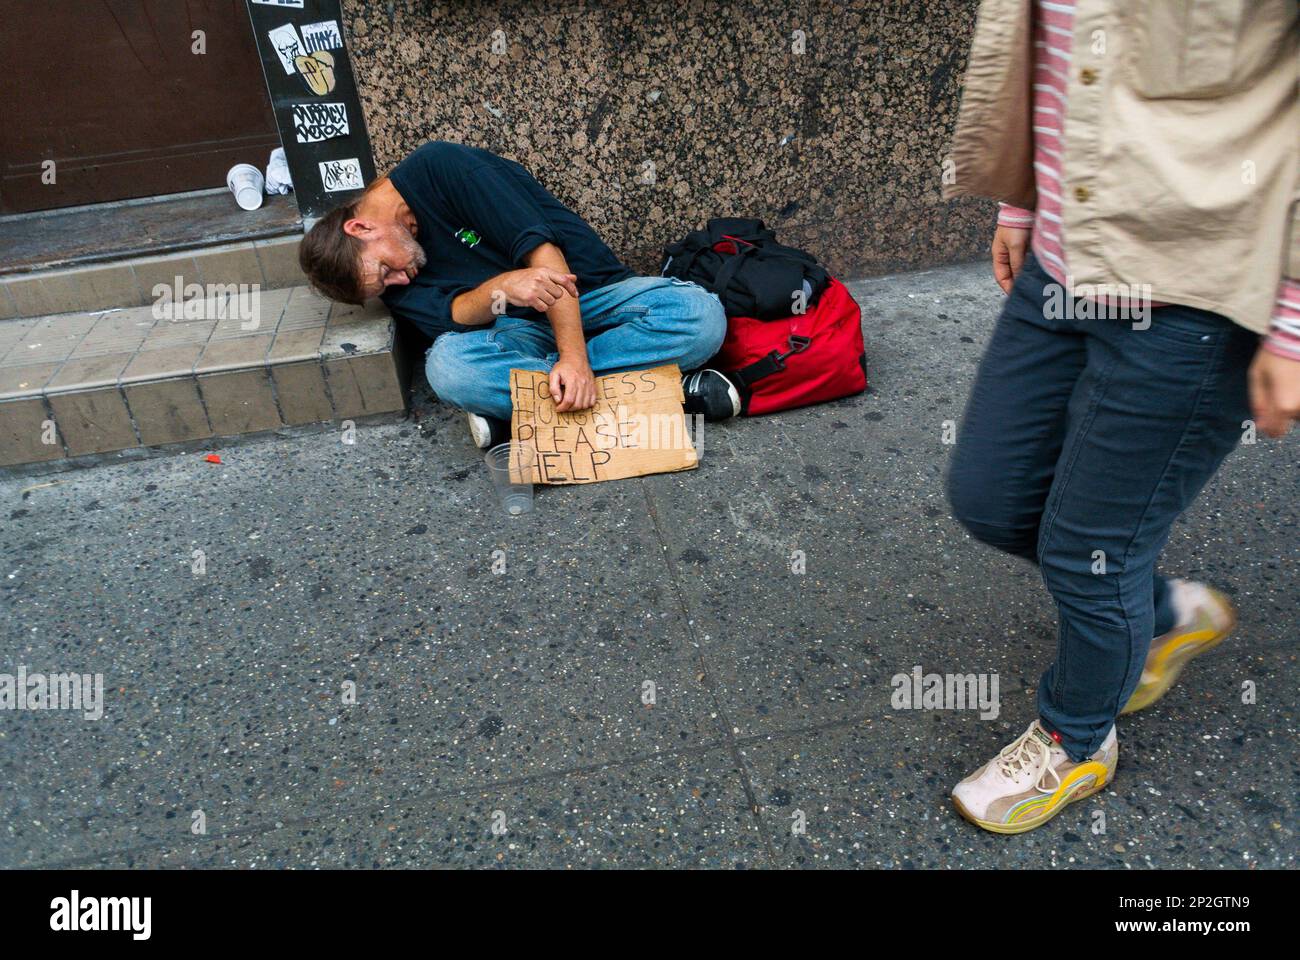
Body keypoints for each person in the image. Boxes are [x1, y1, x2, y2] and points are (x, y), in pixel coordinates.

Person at [942, 0, 1300, 833]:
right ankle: (1162, 614)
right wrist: (1021, 199)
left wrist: (1292, 321)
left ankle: (1077, 737)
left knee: (1087, 555)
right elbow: (1051, 46)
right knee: (990, 498)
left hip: (1198, 291)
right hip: (1067, 257)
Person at [299, 141, 739, 447]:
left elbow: (546, 256)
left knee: (698, 315)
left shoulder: (441, 168)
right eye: (383, 287)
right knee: (451, 369)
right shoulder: (397, 278)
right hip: (516, 333)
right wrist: (501, 288)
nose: (397, 283)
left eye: (384, 270)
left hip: (592, 298)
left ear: (361, 228)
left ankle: (527, 411)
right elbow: (451, 316)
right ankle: (657, 393)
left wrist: (575, 359)